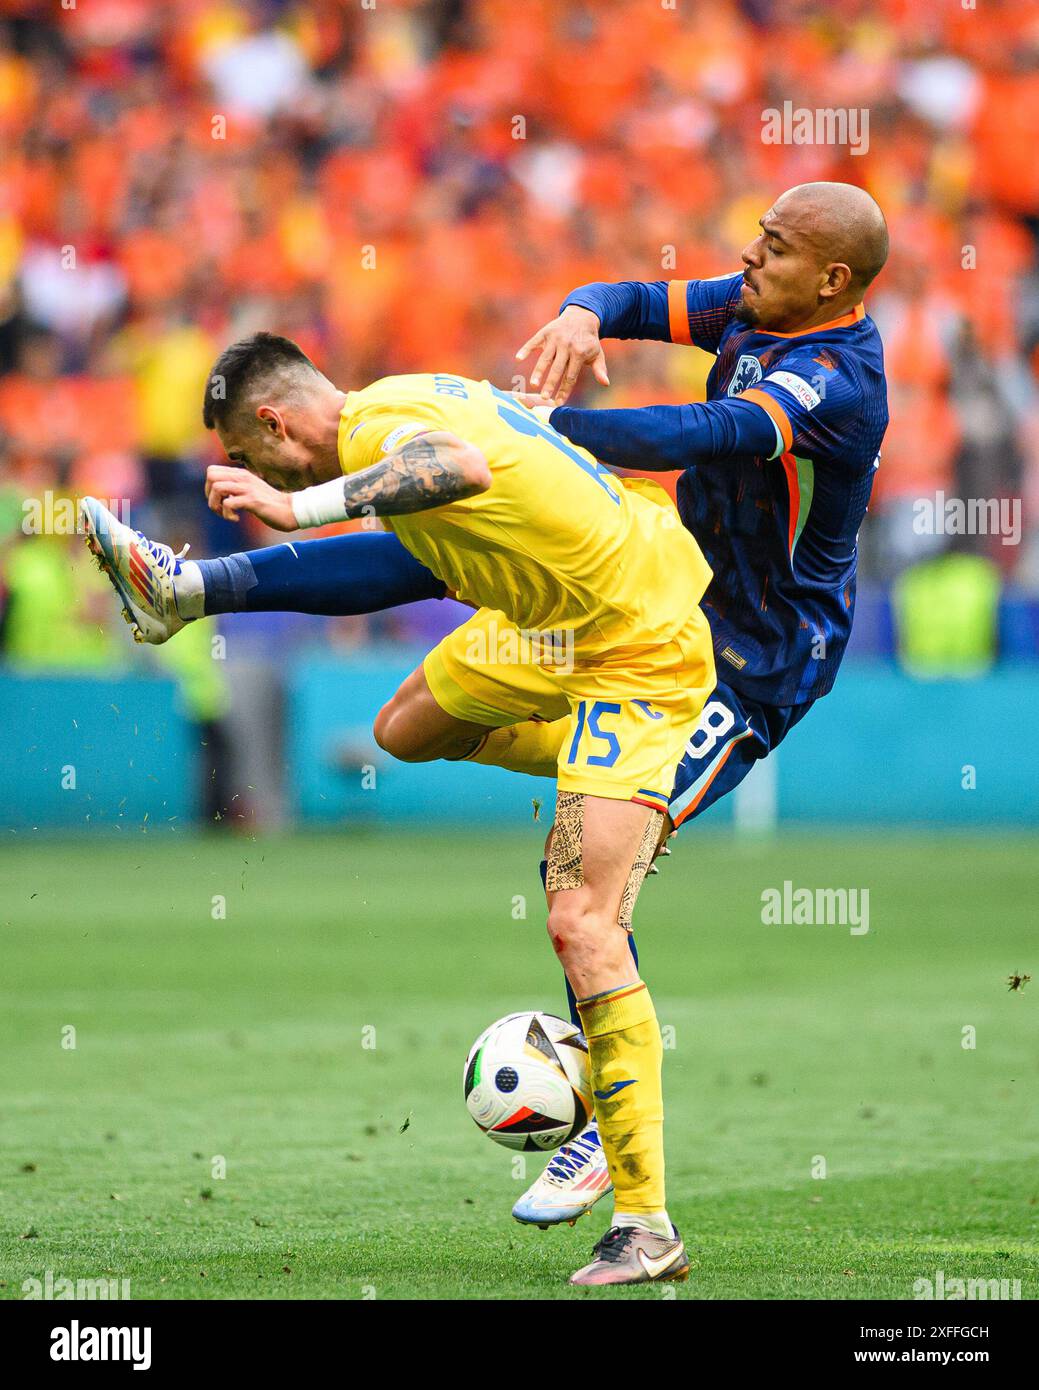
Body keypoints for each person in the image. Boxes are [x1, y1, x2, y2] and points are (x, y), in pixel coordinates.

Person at [83, 179, 890, 1266]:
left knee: (583, 914)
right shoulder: (731, 313)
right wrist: (580, 310)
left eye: (774, 244)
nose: (748, 255)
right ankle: (603, 787)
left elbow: (702, 430)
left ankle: (635, 1198)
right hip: (604, 600)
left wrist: (539, 430)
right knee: (408, 725)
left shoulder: (834, 378)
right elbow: (420, 538)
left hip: (725, 654)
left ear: (831, 277)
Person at [82, 340, 717, 1288]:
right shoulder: (404, 399)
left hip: (637, 645)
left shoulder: (381, 430)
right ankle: (624, 784)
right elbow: (396, 565)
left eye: (258, 464)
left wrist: (294, 507)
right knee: (408, 726)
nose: (263, 480)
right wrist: (206, 592)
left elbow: (450, 468)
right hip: (558, 621)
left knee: (579, 923)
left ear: (275, 424)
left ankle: (645, 1223)